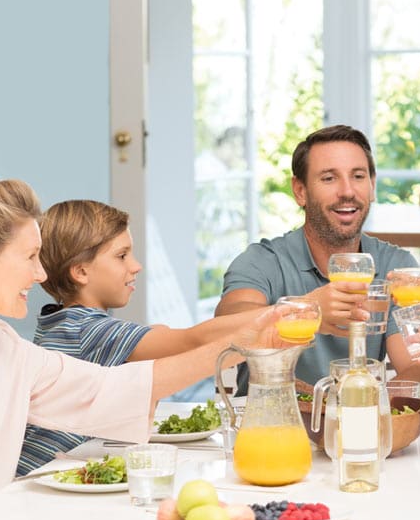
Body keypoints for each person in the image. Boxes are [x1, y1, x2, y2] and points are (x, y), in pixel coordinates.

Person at [0, 165, 285, 515]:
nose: (41, 274)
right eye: (31, 257)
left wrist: (245, 342)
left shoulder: (4, 348)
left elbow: (110, 389)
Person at [16, 199, 276, 475]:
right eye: (121, 256)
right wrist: (287, 312)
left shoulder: (61, 321)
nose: (136, 266)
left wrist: (153, 337)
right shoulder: (85, 330)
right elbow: (194, 340)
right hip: (41, 475)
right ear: (81, 272)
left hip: (43, 470)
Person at [215, 124, 420, 400]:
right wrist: (307, 310)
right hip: (273, 421)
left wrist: (361, 410)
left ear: (372, 186)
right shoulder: (261, 262)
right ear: (300, 191)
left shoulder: (396, 267)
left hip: (364, 422)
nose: (347, 191)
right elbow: (225, 330)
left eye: (358, 176)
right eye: (329, 178)